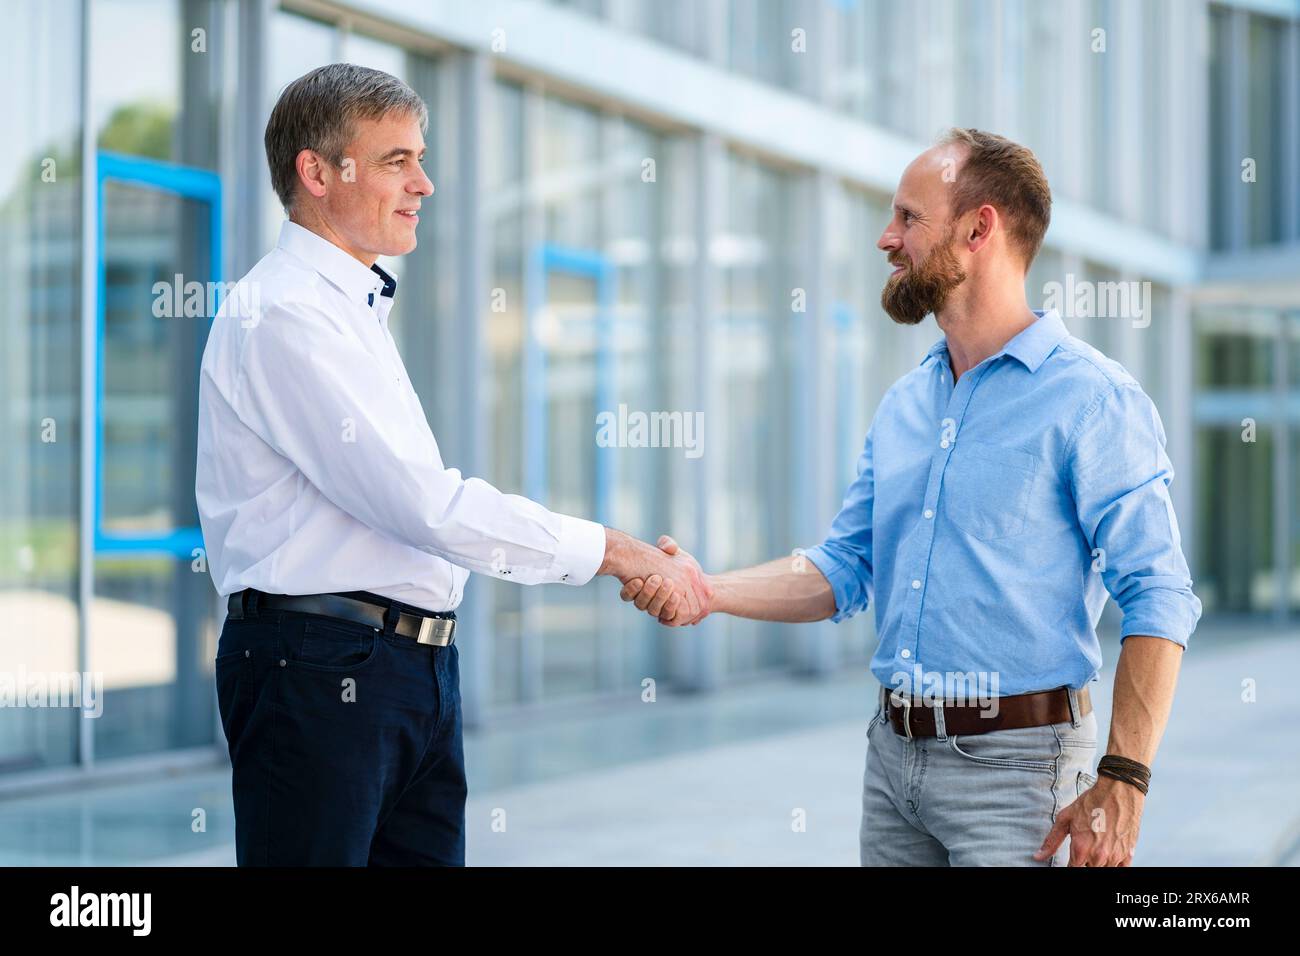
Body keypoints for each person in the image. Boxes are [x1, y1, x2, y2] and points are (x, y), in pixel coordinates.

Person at [622, 128, 1201, 867]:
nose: (885, 239)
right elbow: (846, 564)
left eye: (907, 217)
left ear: (978, 227)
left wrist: (1125, 776)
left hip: (1018, 777)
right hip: (891, 763)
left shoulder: (1092, 400)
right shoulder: (907, 402)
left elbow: (1158, 592)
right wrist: (706, 590)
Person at [196, 63, 708, 866]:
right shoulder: (287, 315)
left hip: (403, 665)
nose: (424, 183)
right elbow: (420, 505)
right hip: (324, 668)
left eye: (420, 158)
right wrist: (617, 551)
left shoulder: (349, 310)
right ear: (318, 172)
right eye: (397, 160)